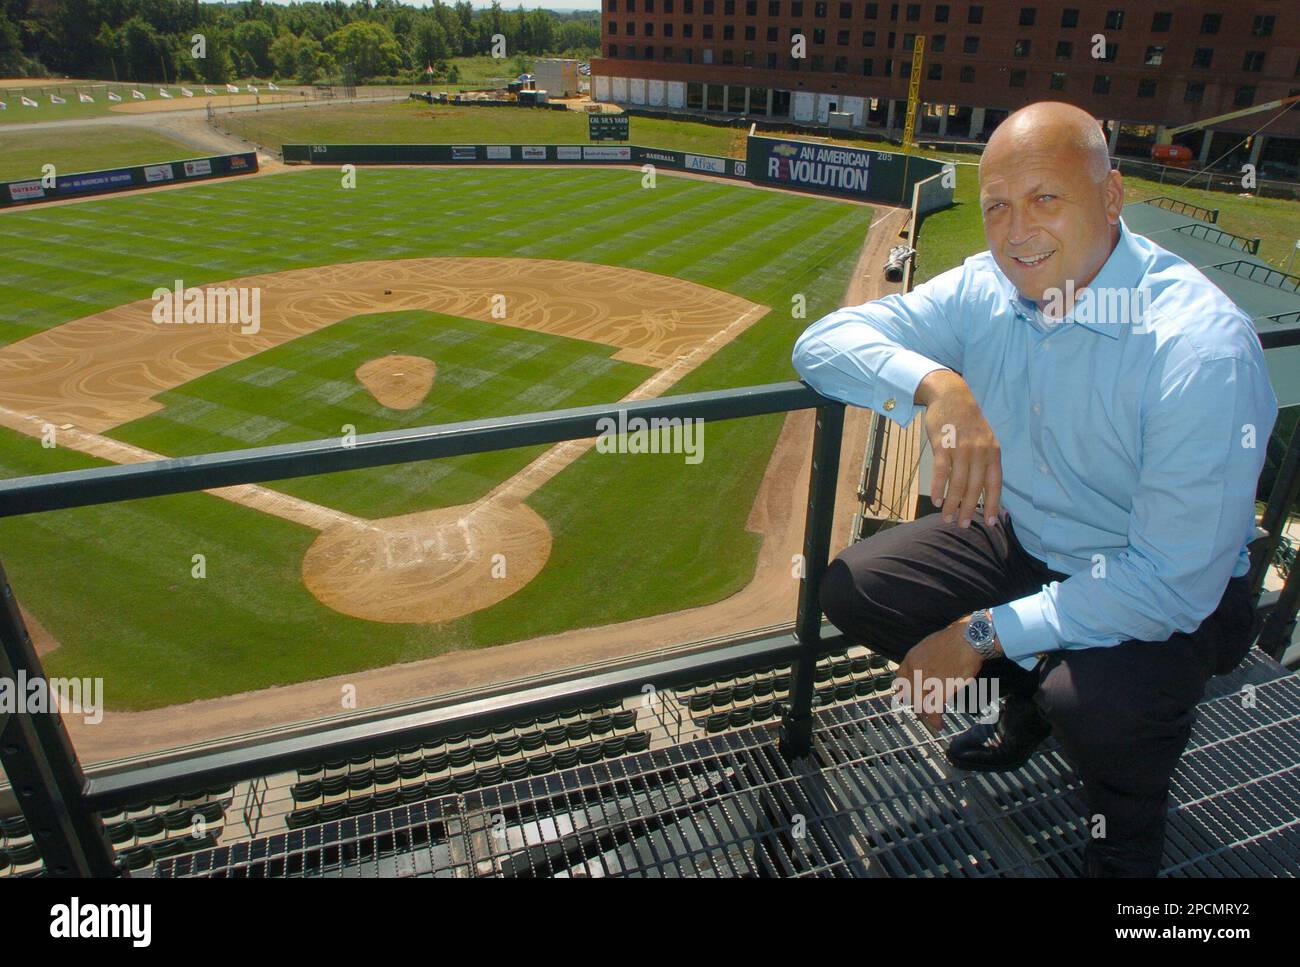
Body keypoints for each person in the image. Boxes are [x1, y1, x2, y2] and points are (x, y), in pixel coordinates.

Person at [791, 101, 1278, 877]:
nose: (1016, 230)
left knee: (1097, 708)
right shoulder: (989, 286)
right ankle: (1028, 699)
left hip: (1171, 589)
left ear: (1112, 197)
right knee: (856, 587)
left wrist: (979, 633)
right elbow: (818, 346)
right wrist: (937, 386)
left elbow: (1169, 584)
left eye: (1046, 198)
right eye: (996, 207)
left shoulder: (1198, 349)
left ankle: (1124, 843)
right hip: (1033, 539)